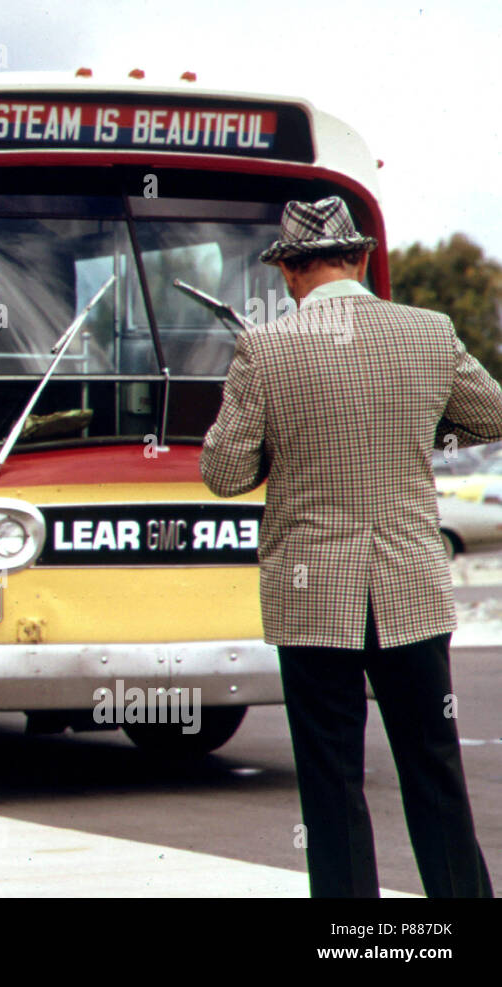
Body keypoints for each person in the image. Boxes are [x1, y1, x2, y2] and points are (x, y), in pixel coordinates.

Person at [200, 195, 499, 898]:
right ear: (361, 257)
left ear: (289, 274)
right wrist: (419, 438)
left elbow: (224, 474)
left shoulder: (265, 349)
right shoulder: (429, 332)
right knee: (435, 770)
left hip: (314, 599)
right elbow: (488, 413)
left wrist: (281, 447)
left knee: (331, 783)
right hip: (411, 588)